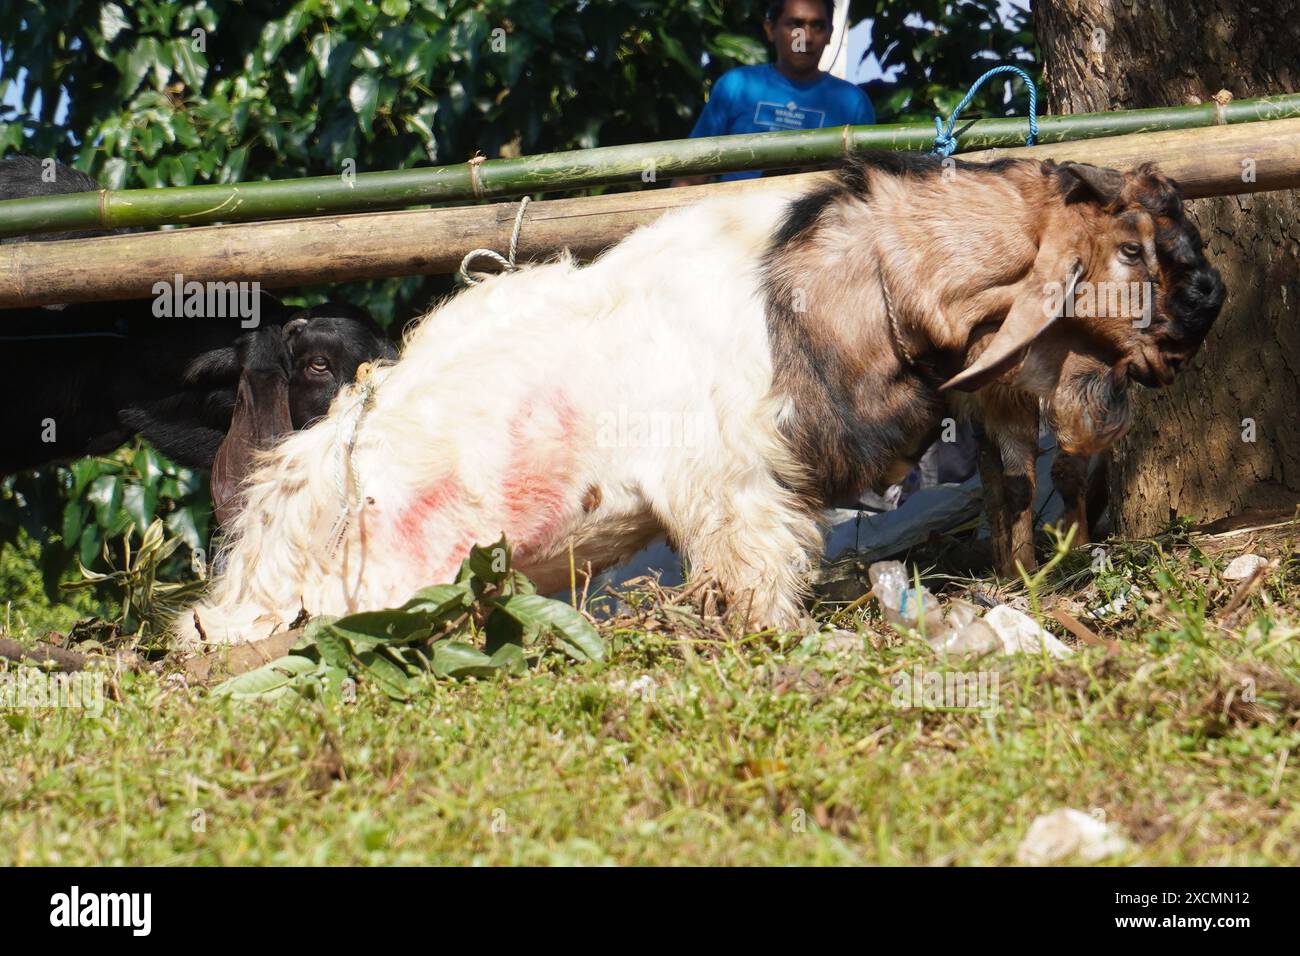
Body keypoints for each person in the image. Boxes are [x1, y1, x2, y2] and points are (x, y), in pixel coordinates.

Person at [679, 0, 874, 185]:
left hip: (814, 218)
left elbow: (868, 185)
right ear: (770, 29)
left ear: (830, 33)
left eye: (818, 26)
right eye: (795, 24)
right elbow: (691, 174)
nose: (805, 37)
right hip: (734, 216)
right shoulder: (736, 85)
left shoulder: (853, 102)